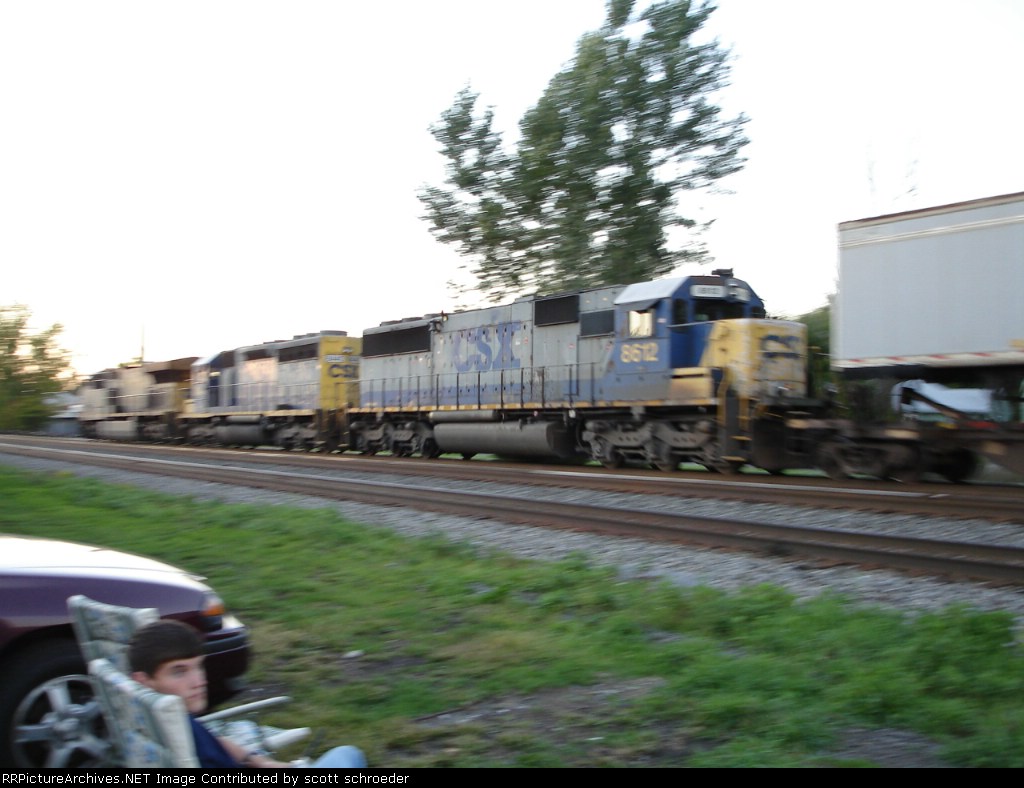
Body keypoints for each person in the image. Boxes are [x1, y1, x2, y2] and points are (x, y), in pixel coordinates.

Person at [128, 619, 366, 769]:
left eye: (198, 666)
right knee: (348, 755)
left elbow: (214, 740)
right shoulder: (175, 723)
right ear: (144, 680)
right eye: (178, 672)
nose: (198, 682)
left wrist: (258, 761)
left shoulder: (160, 714)